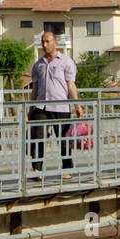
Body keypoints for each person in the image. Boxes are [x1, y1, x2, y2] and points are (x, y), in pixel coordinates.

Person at [28, 31, 82, 179]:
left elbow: (71, 85)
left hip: (61, 107)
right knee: (37, 138)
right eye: (43, 42)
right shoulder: (38, 64)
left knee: (63, 138)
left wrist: (77, 106)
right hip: (41, 106)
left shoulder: (66, 62)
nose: (45, 45)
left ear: (55, 42)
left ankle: (67, 168)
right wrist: (30, 108)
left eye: (48, 42)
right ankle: (38, 169)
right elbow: (35, 88)